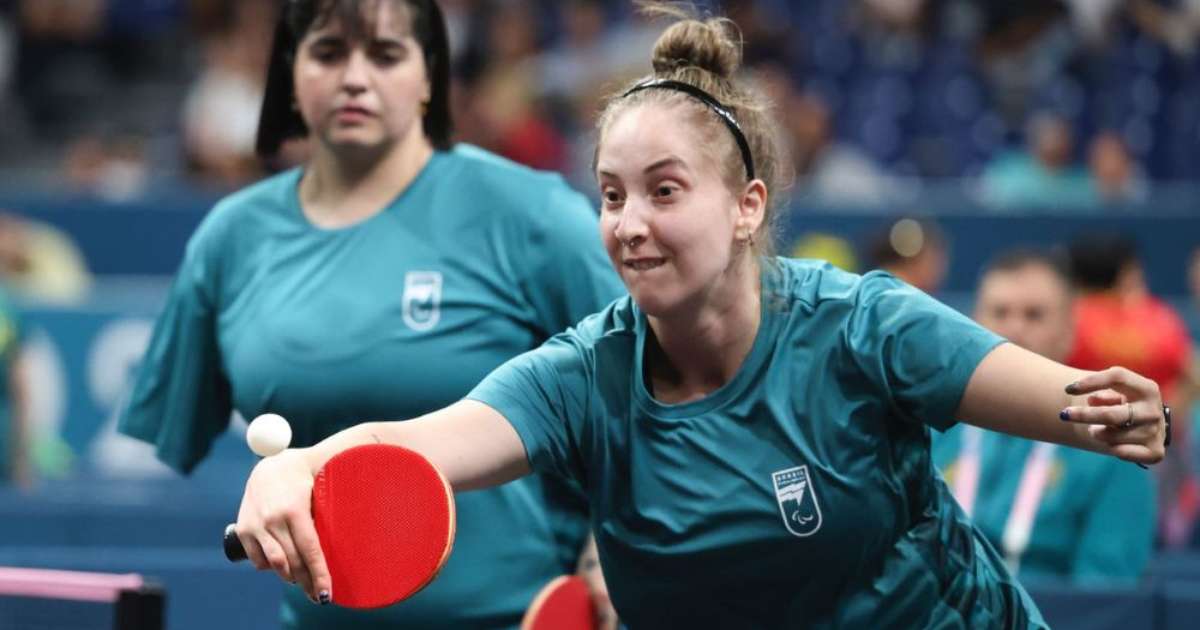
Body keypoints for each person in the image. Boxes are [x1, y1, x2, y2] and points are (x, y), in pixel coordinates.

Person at [233, 4, 1169, 628]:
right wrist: (299, 469)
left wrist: (1119, 412)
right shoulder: (581, 379)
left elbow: (1076, 400)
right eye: (610, 195)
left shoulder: (861, 327)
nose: (629, 224)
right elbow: (419, 444)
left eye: (664, 190)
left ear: (747, 206)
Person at [118, 1, 624, 628]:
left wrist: (606, 548)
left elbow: (643, 392)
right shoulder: (231, 240)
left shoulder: (532, 216)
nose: (355, 77)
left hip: (517, 616)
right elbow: (172, 446)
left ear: (429, 76)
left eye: (385, 55)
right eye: (328, 53)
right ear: (290, 74)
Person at [933, 249, 1155, 585]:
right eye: (999, 312)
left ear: (1068, 332)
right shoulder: (929, 428)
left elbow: (1105, 598)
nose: (1013, 328)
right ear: (971, 326)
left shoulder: (1110, 446)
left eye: (1034, 315)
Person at [1066, 233, 1197, 547]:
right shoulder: (1157, 317)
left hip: (1081, 446)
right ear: (1125, 273)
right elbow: (1193, 376)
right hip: (1153, 449)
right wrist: (1166, 418)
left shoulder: (1068, 319)